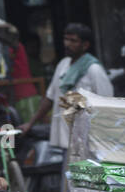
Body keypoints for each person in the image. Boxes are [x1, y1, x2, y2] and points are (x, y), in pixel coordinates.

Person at [19, 23, 112, 156]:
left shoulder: (93, 70)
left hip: (87, 139)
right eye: (66, 39)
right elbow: (50, 98)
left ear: (85, 45)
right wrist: (30, 123)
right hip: (66, 137)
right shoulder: (62, 65)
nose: (67, 44)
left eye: (73, 41)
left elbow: (106, 105)